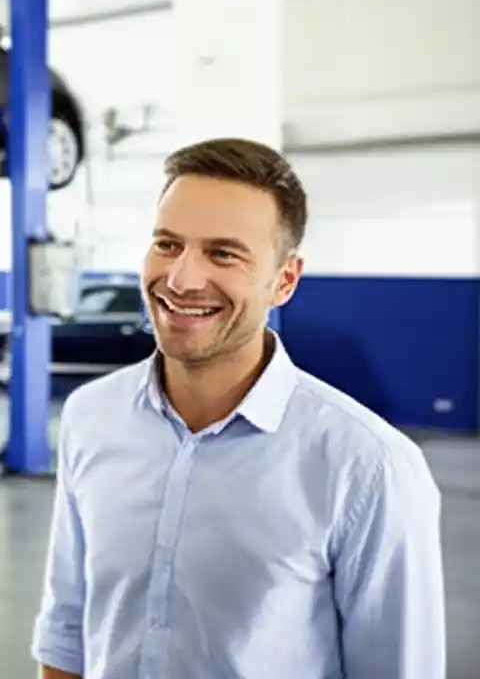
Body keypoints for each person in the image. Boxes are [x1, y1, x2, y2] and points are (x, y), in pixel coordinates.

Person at [31, 138, 446, 679]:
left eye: (222, 253)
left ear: (285, 280)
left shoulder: (368, 467)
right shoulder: (92, 417)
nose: (181, 279)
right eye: (167, 244)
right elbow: (68, 632)